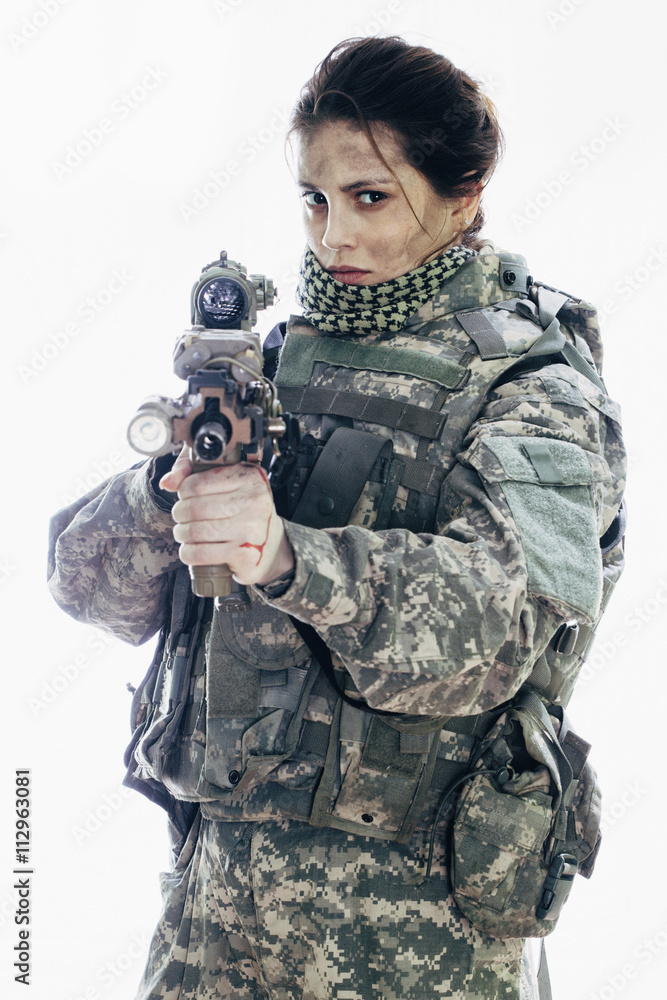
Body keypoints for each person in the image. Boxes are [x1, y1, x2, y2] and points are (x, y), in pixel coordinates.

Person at [47, 35, 626, 1000]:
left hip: (412, 935)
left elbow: (502, 630)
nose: (333, 238)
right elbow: (84, 589)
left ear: (462, 195)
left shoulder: (536, 387)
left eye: (369, 198)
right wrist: (166, 495)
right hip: (216, 915)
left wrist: (286, 557)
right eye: (314, 200)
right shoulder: (270, 366)